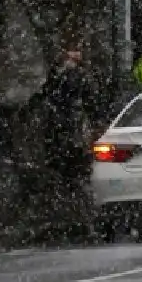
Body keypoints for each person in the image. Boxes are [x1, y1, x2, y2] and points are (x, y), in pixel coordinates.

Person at [41, 47, 98, 191]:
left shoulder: (69, 76)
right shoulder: (66, 75)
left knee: (69, 150)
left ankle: (69, 178)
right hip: (65, 120)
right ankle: (71, 178)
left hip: (67, 121)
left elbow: (88, 99)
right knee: (70, 150)